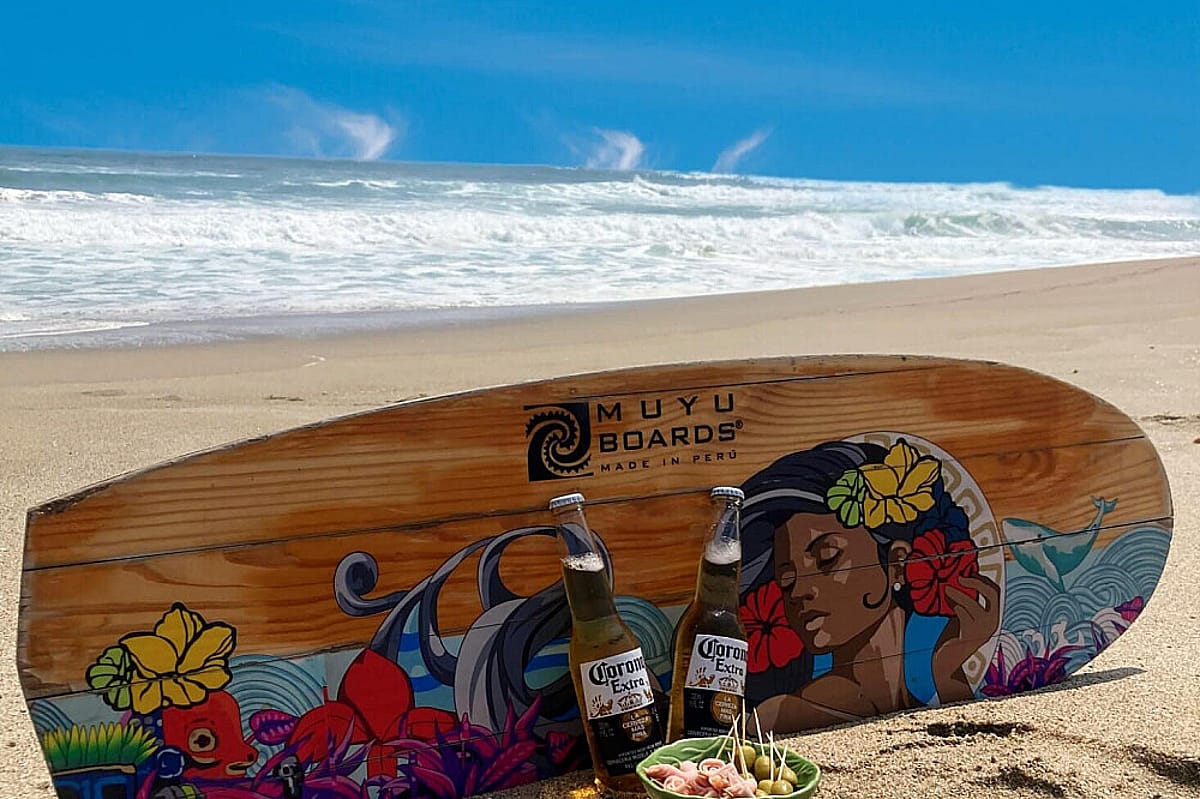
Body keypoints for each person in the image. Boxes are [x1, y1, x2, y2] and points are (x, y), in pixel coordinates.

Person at [736, 438, 1001, 732]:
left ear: (897, 563)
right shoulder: (785, 713)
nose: (798, 592)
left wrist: (949, 671)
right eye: (786, 581)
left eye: (828, 558)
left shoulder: (938, 652)